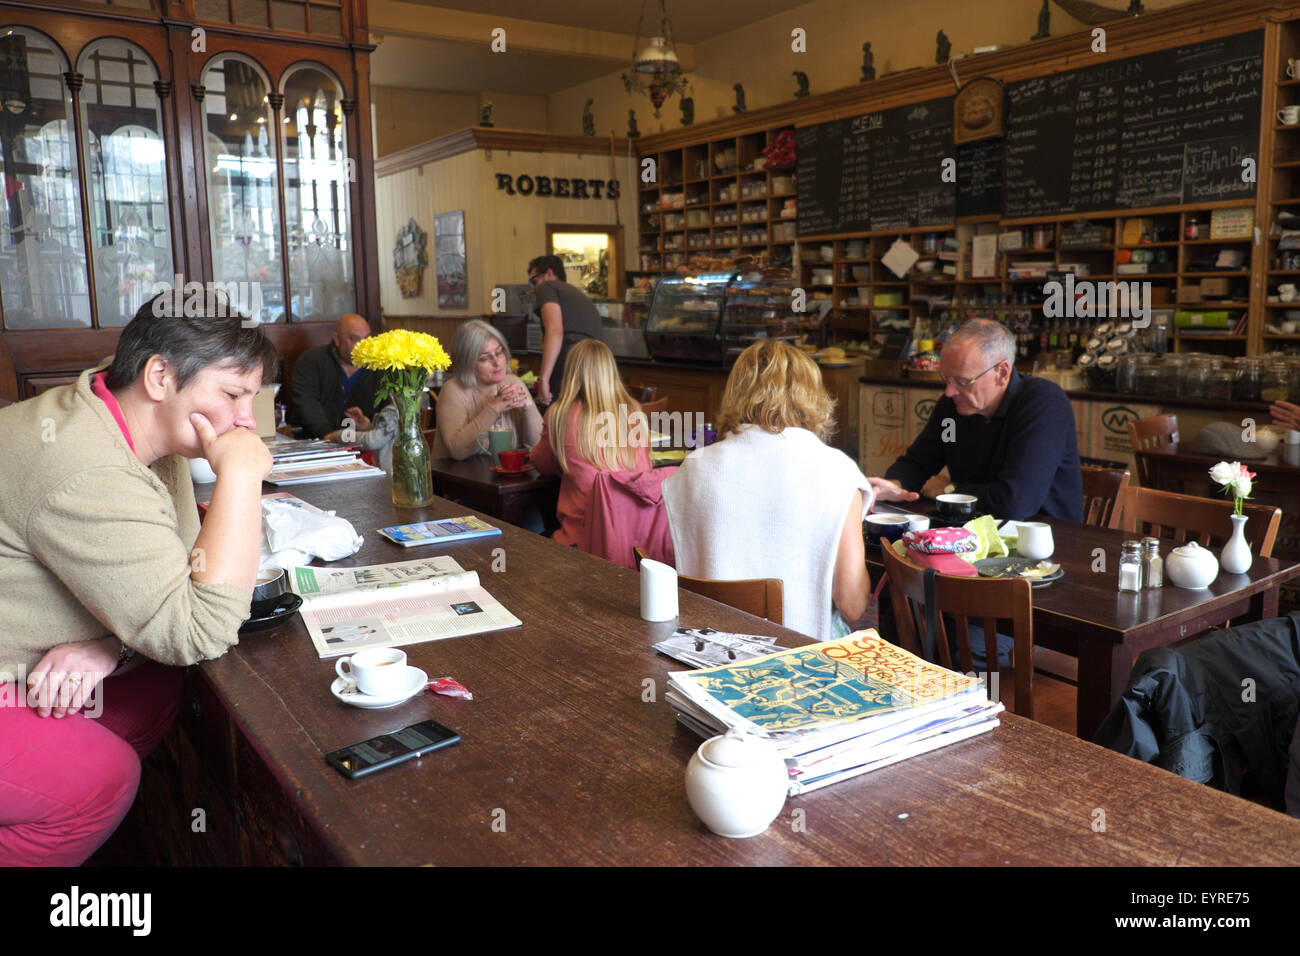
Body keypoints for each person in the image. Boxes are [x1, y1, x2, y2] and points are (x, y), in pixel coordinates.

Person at [0, 292, 278, 865]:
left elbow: (179, 571)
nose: (247, 420)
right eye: (232, 395)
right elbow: (199, 630)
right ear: (158, 375)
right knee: (103, 782)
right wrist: (244, 473)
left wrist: (112, 644)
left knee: (153, 691)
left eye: (252, 398)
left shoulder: (126, 416)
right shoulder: (86, 463)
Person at [663, 340, 917, 641]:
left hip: (706, 653)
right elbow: (852, 604)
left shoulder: (692, 468)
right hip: (800, 658)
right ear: (812, 396)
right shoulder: (838, 471)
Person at [882, 319, 1082, 521]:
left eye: (962, 381)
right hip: (972, 534)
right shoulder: (952, 408)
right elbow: (920, 462)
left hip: (1045, 540)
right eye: (946, 379)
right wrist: (893, 485)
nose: (950, 391)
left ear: (1001, 373)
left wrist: (949, 490)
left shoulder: (1043, 404)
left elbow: (1015, 502)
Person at [530, 339, 653, 548]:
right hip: (635, 541)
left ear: (571, 374)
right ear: (611, 372)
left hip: (582, 540)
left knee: (532, 532)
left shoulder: (560, 414)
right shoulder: (634, 411)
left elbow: (544, 465)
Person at [433, 319, 542, 460]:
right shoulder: (453, 390)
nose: (497, 362)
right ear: (467, 363)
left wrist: (528, 406)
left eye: (499, 352)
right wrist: (494, 408)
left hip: (506, 477)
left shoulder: (514, 382)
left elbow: (537, 445)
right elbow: (458, 451)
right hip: (459, 478)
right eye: (484, 358)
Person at [289, 313, 381, 440]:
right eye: (355, 339)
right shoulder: (311, 361)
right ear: (337, 339)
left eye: (367, 339)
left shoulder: (378, 366)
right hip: (313, 440)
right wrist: (328, 435)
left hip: (360, 441)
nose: (363, 346)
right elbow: (307, 404)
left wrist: (368, 425)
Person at [527, 254, 602, 406]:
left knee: (555, 417)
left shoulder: (547, 287)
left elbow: (555, 331)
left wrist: (544, 379)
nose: (533, 289)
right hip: (597, 365)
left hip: (571, 360)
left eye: (534, 281)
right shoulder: (575, 293)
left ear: (549, 273)